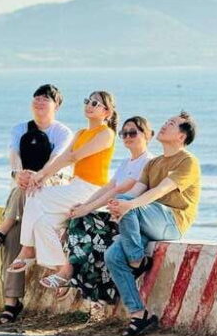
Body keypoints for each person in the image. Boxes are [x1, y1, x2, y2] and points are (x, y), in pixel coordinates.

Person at [0, 84, 73, 324]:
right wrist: (19, 174)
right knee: (13, 240)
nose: (40, 101)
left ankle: (1, 229)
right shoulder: (20, 129)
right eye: (37, 97)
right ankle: (11, 302)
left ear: (57, 105)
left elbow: (58, 160)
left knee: (17, 215)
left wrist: (35, 177)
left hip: (52, 192)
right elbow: (14, 155)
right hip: (23, 194)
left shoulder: (63, 133)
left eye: (46, 98)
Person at [8, 91, 118, 289]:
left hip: (92, 189)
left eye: (95, 103)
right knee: (42, 223)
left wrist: (39, 176)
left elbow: (73, 157)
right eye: (87, 101)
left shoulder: (106, 133)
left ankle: (27, 249)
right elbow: (61, 158)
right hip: (76, 186)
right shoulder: (80, 133)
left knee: (35, 194)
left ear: (107, 112)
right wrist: (43, 177)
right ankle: (63, 269)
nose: (89, 105)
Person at [105, 111, 200, 336]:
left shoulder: (188, 161)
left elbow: (160, 191)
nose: (165, 125)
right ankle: (139, 315)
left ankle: (137, 260)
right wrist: (117, 206)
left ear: (182, 136)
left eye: (172, 124)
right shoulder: (153, 163)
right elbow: (137, 192)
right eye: (166, 121)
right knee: (112, 256)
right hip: (148, 219)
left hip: (172, 222)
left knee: (128, 203)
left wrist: (127, 205)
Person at [63, 116, 155, 304]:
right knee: (77, 224)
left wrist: (87, 209)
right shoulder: (126, 162)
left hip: (130, 221)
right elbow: (108, 187)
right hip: (115, 214)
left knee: (82, 224)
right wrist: (84, 205)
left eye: (133, 132)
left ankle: (72, 274)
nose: (127, 137)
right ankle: (80, 281)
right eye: (124, 133)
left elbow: (118, 190)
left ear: (146, 135)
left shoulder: (148, 162)